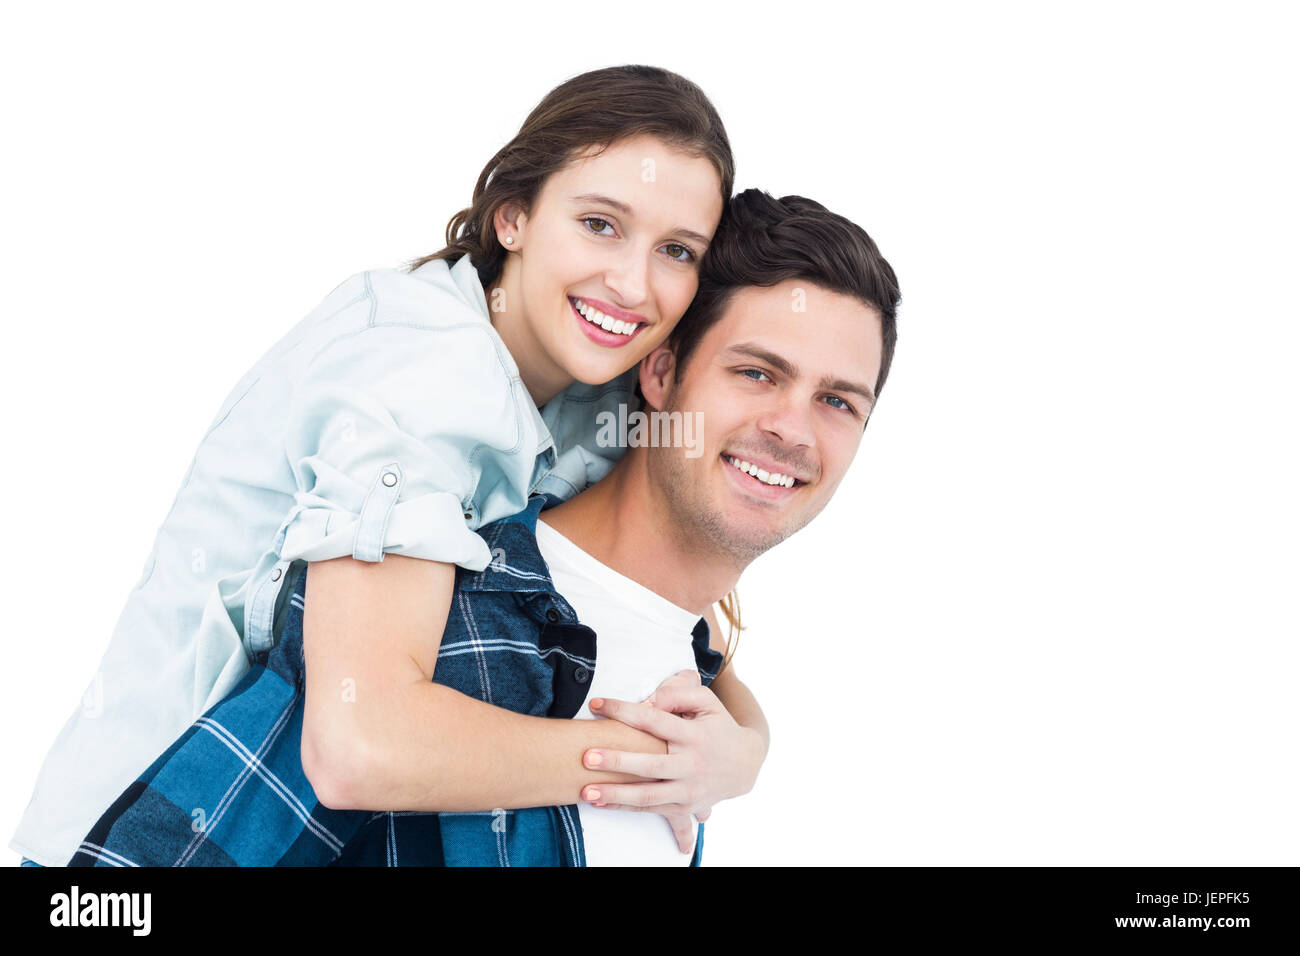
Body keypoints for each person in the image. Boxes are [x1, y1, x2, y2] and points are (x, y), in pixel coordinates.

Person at [12, 64, 772, 868]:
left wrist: (744, 750)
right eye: (600, 224)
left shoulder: (603, 390)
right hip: (150, 840)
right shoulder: (416, 366)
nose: (632, 283)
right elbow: (359, 747)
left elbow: (668, 625)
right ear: (513, 217)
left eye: (676, 250)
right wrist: (648, 763)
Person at [64, 188, 901, 866]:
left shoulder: (696, 705)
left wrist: (747, 748)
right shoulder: (430, 616)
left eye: (837, 401)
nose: (794, 429)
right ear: (660, 370)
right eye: (756, 373)